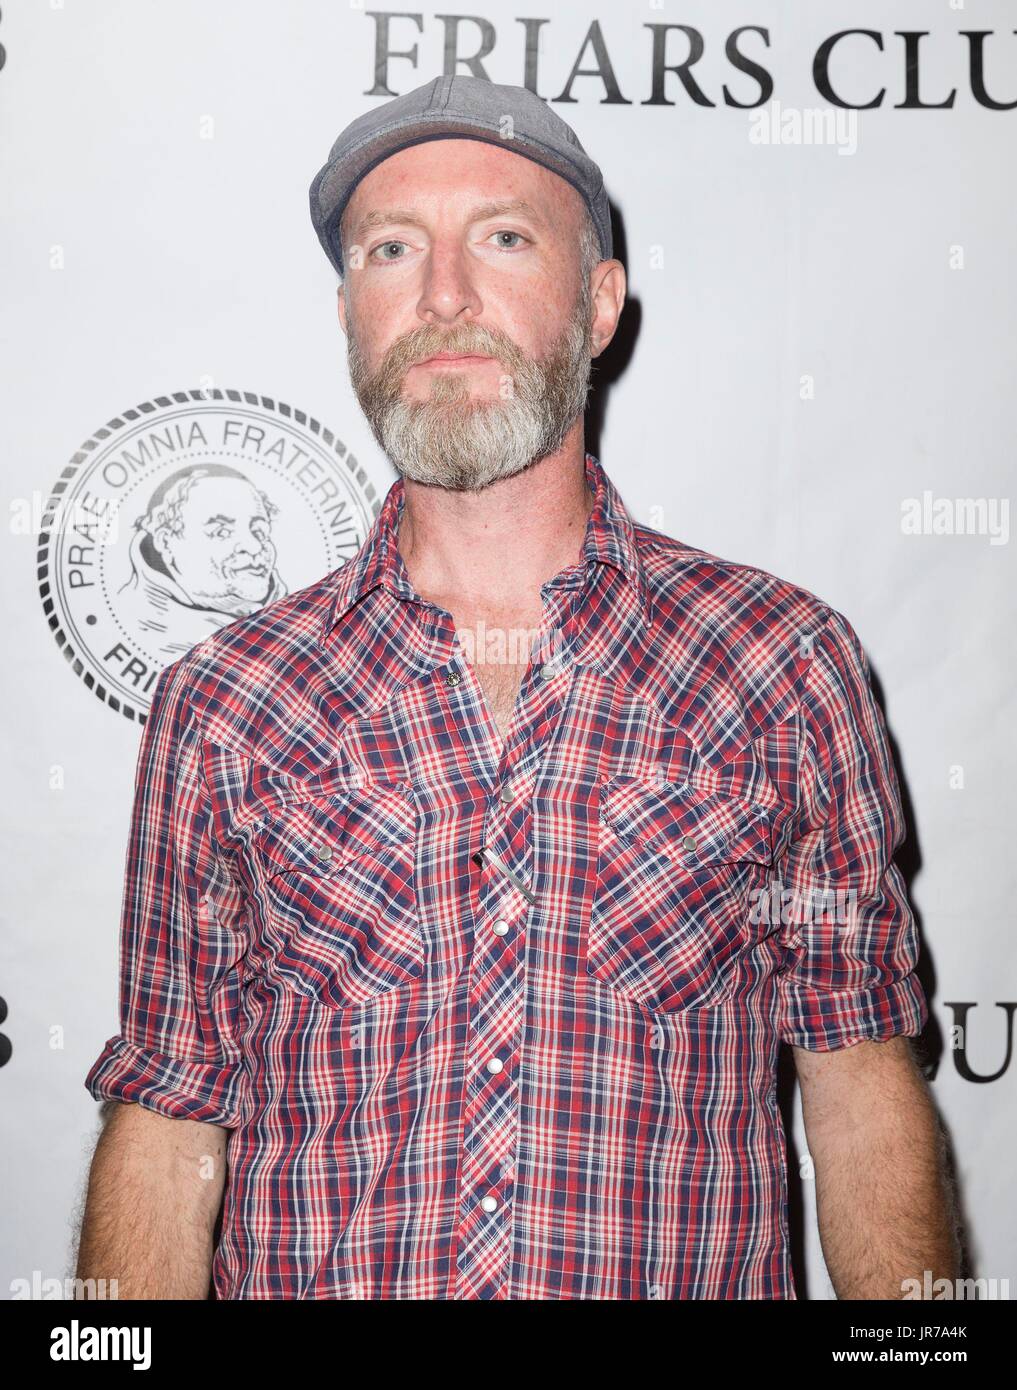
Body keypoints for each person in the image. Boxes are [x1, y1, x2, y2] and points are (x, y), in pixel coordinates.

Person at [76, 76, 959, 1300]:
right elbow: (171, 1119)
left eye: (502, 238)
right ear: (349, 312)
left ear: (598, 304)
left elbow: (858, 1083)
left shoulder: (781, 663)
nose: (444, 296)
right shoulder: (227, 702)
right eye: (393, 249)